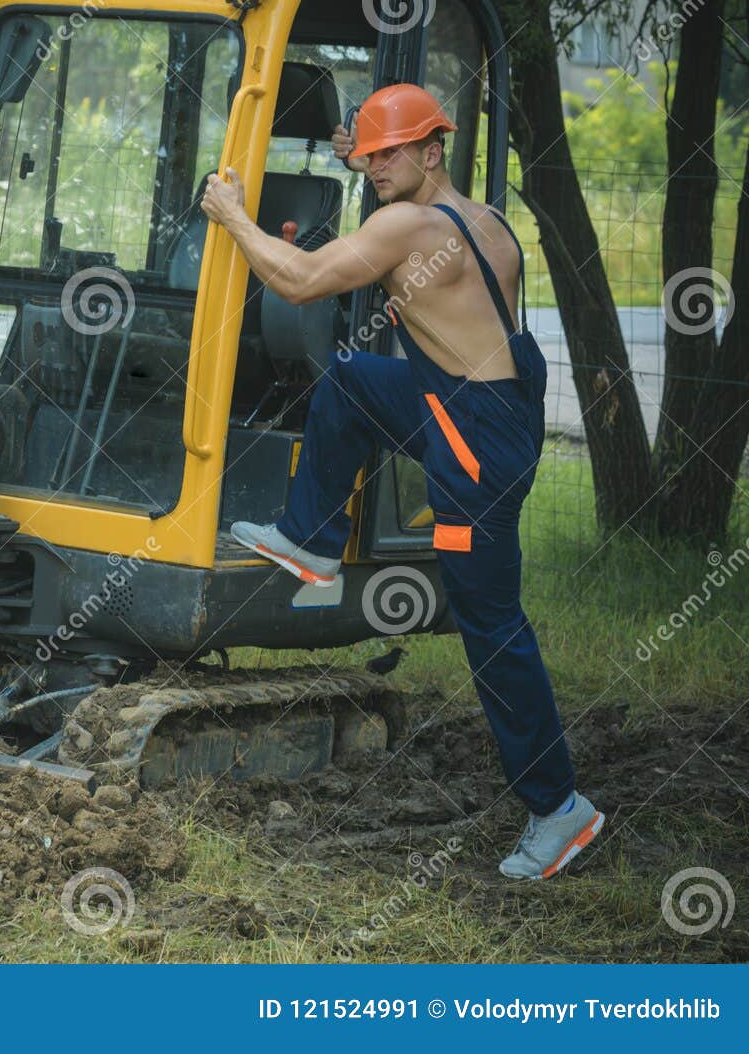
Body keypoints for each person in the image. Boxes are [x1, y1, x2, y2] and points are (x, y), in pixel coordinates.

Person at [200, 82, 603, 880]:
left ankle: (559, 809)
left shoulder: (405, 224)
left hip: (474, 450)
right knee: (351, 380)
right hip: (491, 414)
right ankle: (309, 540)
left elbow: (301, 283)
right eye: (367, 155)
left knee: (493, 630)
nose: (375, 166)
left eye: (391, 153)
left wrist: (235, 219)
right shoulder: (485, 221)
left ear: (432, 150)